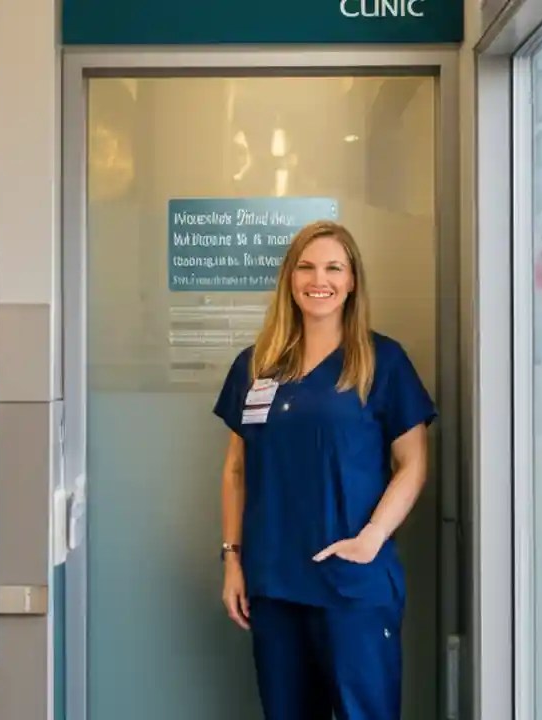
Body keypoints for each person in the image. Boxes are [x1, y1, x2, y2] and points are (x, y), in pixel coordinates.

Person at [213, 220, 436, 720]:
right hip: (273, 581)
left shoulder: (383, 361)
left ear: (352, 280)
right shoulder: (257, 365)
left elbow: (413, 463)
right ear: (289, 279)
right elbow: (235, 469)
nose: (320, 279)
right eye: (307, 267)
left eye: (334, 267)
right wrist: (232, 559)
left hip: (353, 581)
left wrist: (372, 538)